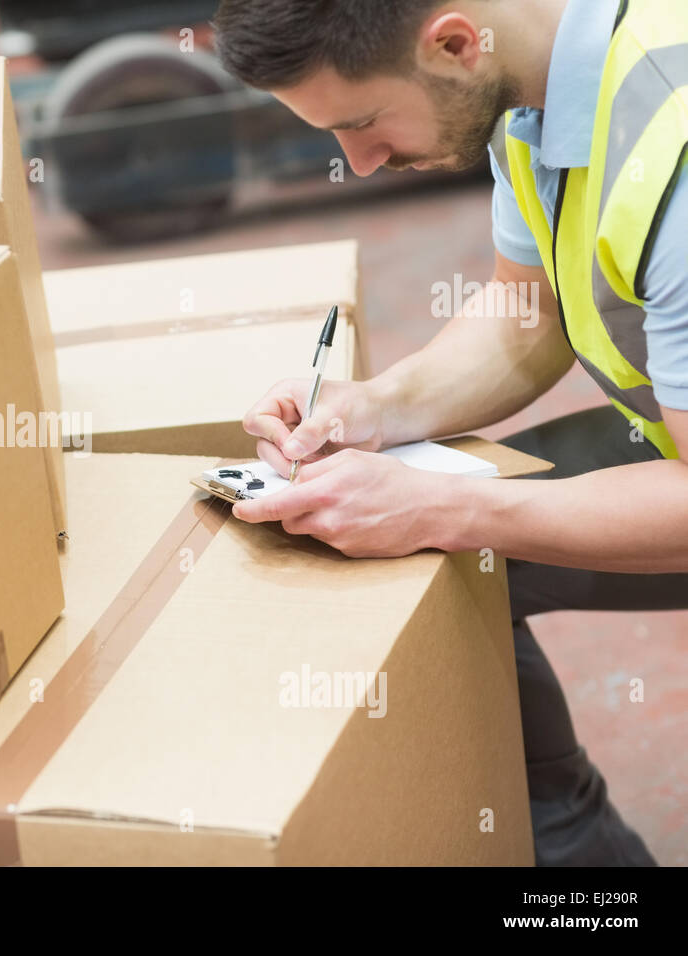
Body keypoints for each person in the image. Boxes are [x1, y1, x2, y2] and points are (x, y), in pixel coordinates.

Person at [213, 0, 688, 865]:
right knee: (451, 556)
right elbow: (527, 310)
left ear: (456, 44)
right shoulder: (530, 89)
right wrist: (376, 409)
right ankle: (579, 861)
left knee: (454, 530)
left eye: (360, 122)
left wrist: (445, 509)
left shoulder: (673, 134)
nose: (357, 165)